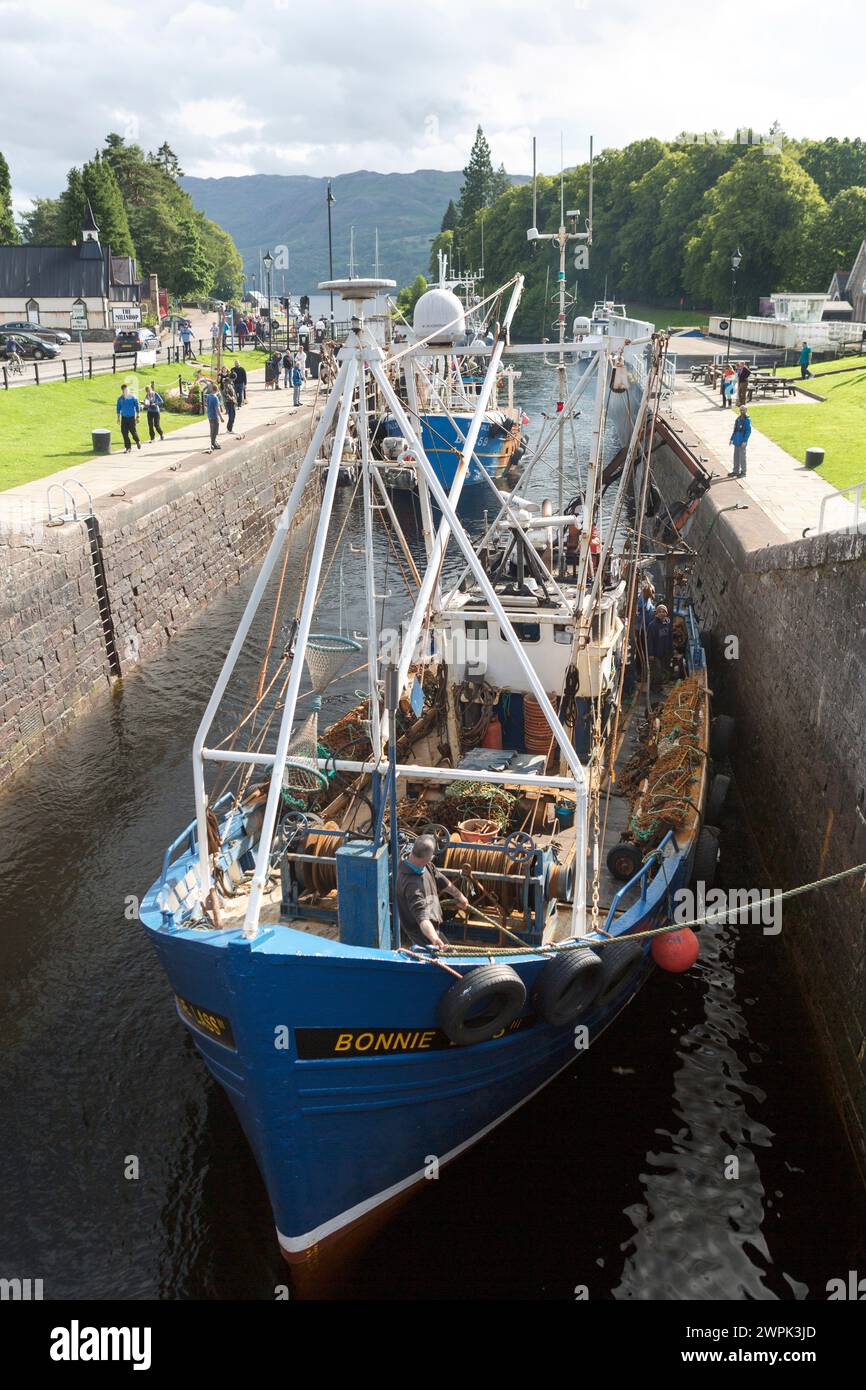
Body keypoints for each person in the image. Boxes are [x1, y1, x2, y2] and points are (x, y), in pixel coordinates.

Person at [395, 835, 469, 948]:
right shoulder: (412, 886)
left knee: (449, 952)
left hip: (432, 923)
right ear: (428, 856)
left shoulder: (424, 865)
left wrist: (459, 896)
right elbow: (422, 919)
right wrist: (434, 939)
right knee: (443, 959)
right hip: (421, 931)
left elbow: (440, 879)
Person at [647, 603, 673, 687]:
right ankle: (654, 687)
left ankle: (658, 686)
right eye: (660, 612)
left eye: (664, 612)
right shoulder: (652, 626)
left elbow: (669, 638)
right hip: (655, 654)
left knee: (662, 670)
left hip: (664, 652)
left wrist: (672, 650)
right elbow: (650, 641)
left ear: (666, 613)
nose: (662, 613)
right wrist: (651, 654)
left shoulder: (667, 624)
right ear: (656, 613)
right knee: (656, 671)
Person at [116, 383, 142, 452]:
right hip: (124, 418)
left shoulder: (133, 397)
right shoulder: (120, 399)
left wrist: (138, 416)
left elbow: (137, 407)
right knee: (124, 432)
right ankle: (128, 448)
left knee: (133, 431)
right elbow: (118, 409)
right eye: (124, 390)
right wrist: (118, 418)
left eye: (127, 389)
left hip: (131, 418)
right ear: (122, 390)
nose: (126, 391)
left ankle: (137, 441)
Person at [729, 405, 752, 478]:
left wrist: (745, 441)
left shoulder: (747, 420)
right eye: (741, 410)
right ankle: (736, 471)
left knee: (742, 457)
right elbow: (735, 430)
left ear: (746, 411)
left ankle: (743, 472)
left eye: (743, 410)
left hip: (742, 442)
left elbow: (748, 431)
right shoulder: (738, 419)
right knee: (736, 457)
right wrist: (731, 439)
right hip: (736, 441)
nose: (742, 411)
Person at [205, 384, 224, 449]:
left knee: (212, 430)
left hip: (210, 415)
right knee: (215, 431)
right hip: (214, 416)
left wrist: (208, 414)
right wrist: (221, 417)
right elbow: (217, 408)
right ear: (217, 390)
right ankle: (213, 444)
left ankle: (213, 442)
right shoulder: (215, 398)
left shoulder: (208, 396)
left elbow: (207, 405)